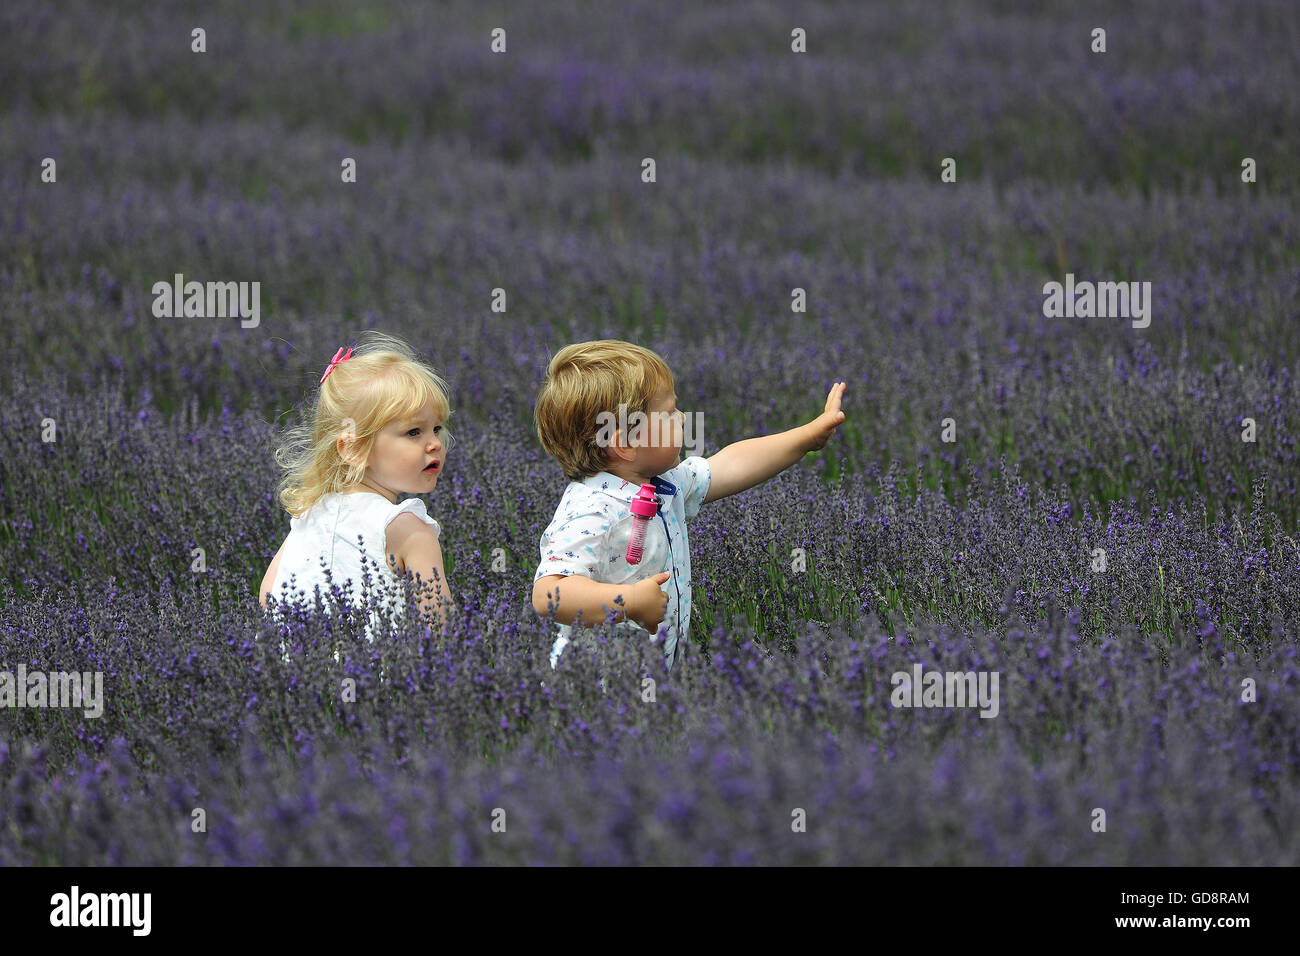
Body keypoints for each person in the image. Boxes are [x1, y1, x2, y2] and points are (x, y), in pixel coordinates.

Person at [531, 339, 845, 671]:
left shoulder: (663, 484)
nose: (683, 419)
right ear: (624, 442)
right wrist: (629, 603)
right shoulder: (591, 510)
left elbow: (730, 465)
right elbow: (549, 594)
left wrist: (808, 437)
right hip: (593, 693)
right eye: (668, 414)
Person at [259, 331, 456, 655]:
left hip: (291, 681)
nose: (434, 443)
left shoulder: (310, 514)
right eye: (413, 432)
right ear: (353, 449)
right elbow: (439, 627)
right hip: (373, 688)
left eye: (437, 428)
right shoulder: (408, 528)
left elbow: (269, 594)